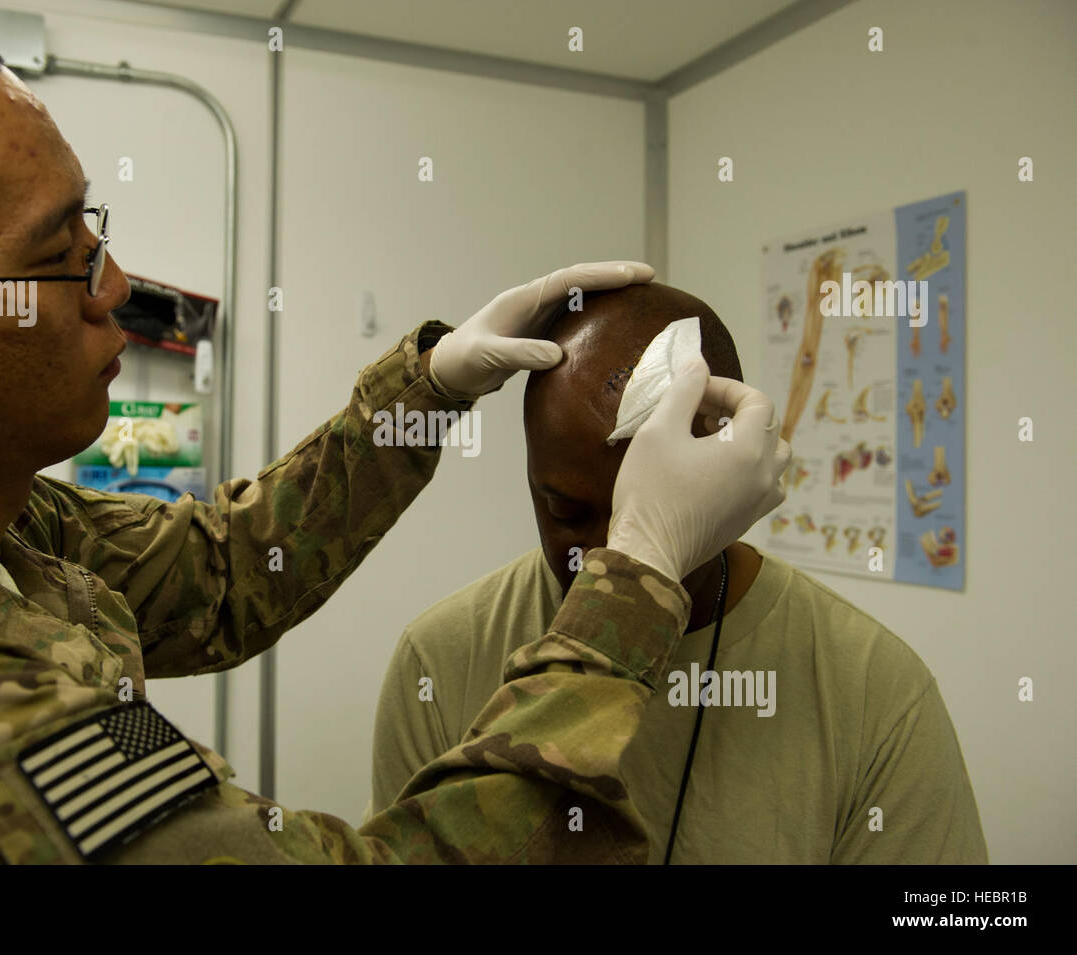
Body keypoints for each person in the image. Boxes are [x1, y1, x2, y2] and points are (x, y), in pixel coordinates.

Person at [0, 9, 787, 863]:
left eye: (96, 235)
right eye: (57, 259)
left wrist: (422, 390)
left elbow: (224, 569)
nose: (118, 290)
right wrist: (640, 572)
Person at [368, 282, 989, 863]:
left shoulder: (871, 690)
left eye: (647, 516)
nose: (604, 556)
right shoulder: (440, 659)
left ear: (728, 483)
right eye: (564, 509)